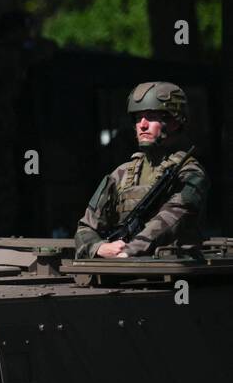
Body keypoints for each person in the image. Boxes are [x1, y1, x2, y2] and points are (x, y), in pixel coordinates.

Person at [74, 82, 209, 259]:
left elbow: (172, 218)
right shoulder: (121, 174)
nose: (142, 125)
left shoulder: (190, 173)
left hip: (171, 274)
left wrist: (128, 252)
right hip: (121, 272)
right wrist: (98, 248)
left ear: (174, 122)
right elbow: (86, 227)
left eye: (151, 117)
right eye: (138, 118)